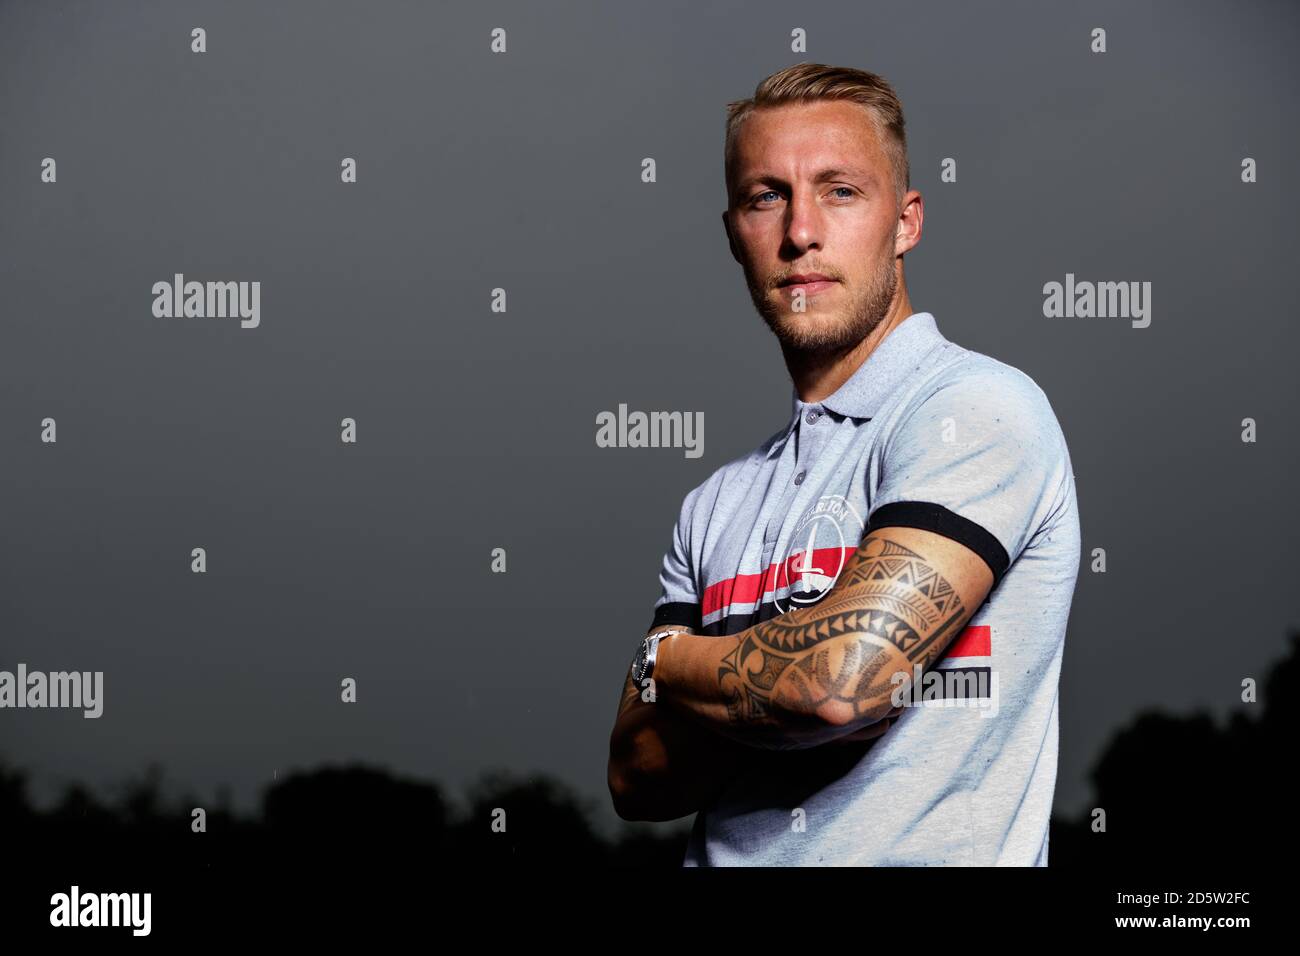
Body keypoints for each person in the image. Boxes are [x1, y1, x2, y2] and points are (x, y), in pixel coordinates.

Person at [606, 63, 1081, 866]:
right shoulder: (714, 504)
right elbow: (636, 778)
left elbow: (839, 684)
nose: (800, 232)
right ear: (734, 235)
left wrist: (670, 661)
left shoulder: (977, 411)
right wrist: (775, 687)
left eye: (840, 191)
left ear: (906, 222)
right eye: (767, 196)